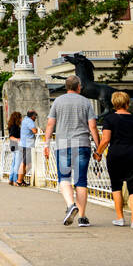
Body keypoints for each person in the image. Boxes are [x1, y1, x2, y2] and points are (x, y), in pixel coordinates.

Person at [44, 75, 101, 227]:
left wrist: (46, 144)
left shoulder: (58, 101)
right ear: (79, 87)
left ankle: (71, 205)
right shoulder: (85, 102)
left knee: (64, 178)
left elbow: (50, 125)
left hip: (63, 144)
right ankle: (82, 217)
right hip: (82, 143)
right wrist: (99, 147)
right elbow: (93, 126)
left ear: (66, 86)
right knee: (81, 180)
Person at [96, 91, 133, 229]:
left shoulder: (109, 119)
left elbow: (105, 140)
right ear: (127, 103)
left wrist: (98, 153)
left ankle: (120, 218)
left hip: (116, 154)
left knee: (116, 186)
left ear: (114, 103)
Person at [17, 110, 38, 186]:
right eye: (35, 116)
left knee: (27, 163)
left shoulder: (25, 119)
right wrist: (39, 130)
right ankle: (19, 180)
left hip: (23, 144)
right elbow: (34, 131)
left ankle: (20, 178)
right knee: (25, 163)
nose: (35, 118)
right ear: (32, 116)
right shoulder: (30, 121)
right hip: (27, 145)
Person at [6, 111, 23, 185]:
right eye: (20, 117)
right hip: (17, 146)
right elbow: (11, 136)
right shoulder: (15, 127)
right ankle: (16, 180)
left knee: (13, 163)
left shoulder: (11, 126)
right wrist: (18, 139)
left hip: (13, 146)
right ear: (17, 118)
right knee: (17, 164)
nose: (21, 119)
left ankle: (11, 179)